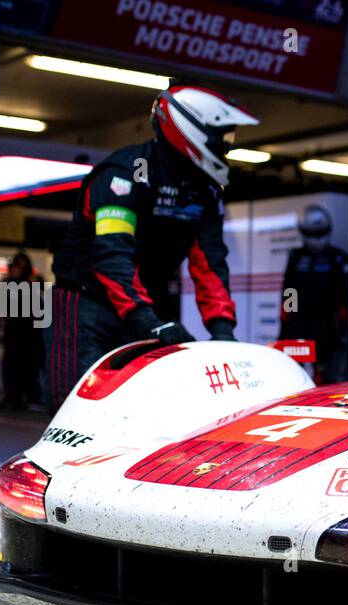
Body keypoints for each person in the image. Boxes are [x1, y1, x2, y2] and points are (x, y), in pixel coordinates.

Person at [48, 85, 253, 409]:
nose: (227, 146)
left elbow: (209, 262)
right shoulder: (125, 174)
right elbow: (111, 255)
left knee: (136, 408)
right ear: (191, 129)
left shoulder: (205, 191)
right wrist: (148, 320)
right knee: (76, 405)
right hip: (87, 300)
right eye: (222, 138)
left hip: (141, 303)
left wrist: (223, 330)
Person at [280, 204, 348, 382]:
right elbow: (289, 290)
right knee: (294, 372)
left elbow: (345, 299)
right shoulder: (296, 257)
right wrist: (288, 321)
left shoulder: (339, 258)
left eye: (320, 233)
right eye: (312, 233)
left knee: (328, 374)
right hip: (299, 324)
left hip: (328, 326)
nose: (316, 238)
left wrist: (343, 327)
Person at [0, 252, 45, 408]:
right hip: (13, 330)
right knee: (11, 364)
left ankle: (31, 395)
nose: (17, 270)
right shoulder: (4, 286)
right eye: (16, 266)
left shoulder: (34, 283)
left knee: (30, 364)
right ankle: (12, 396)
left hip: (30, 331)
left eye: (21, 267)